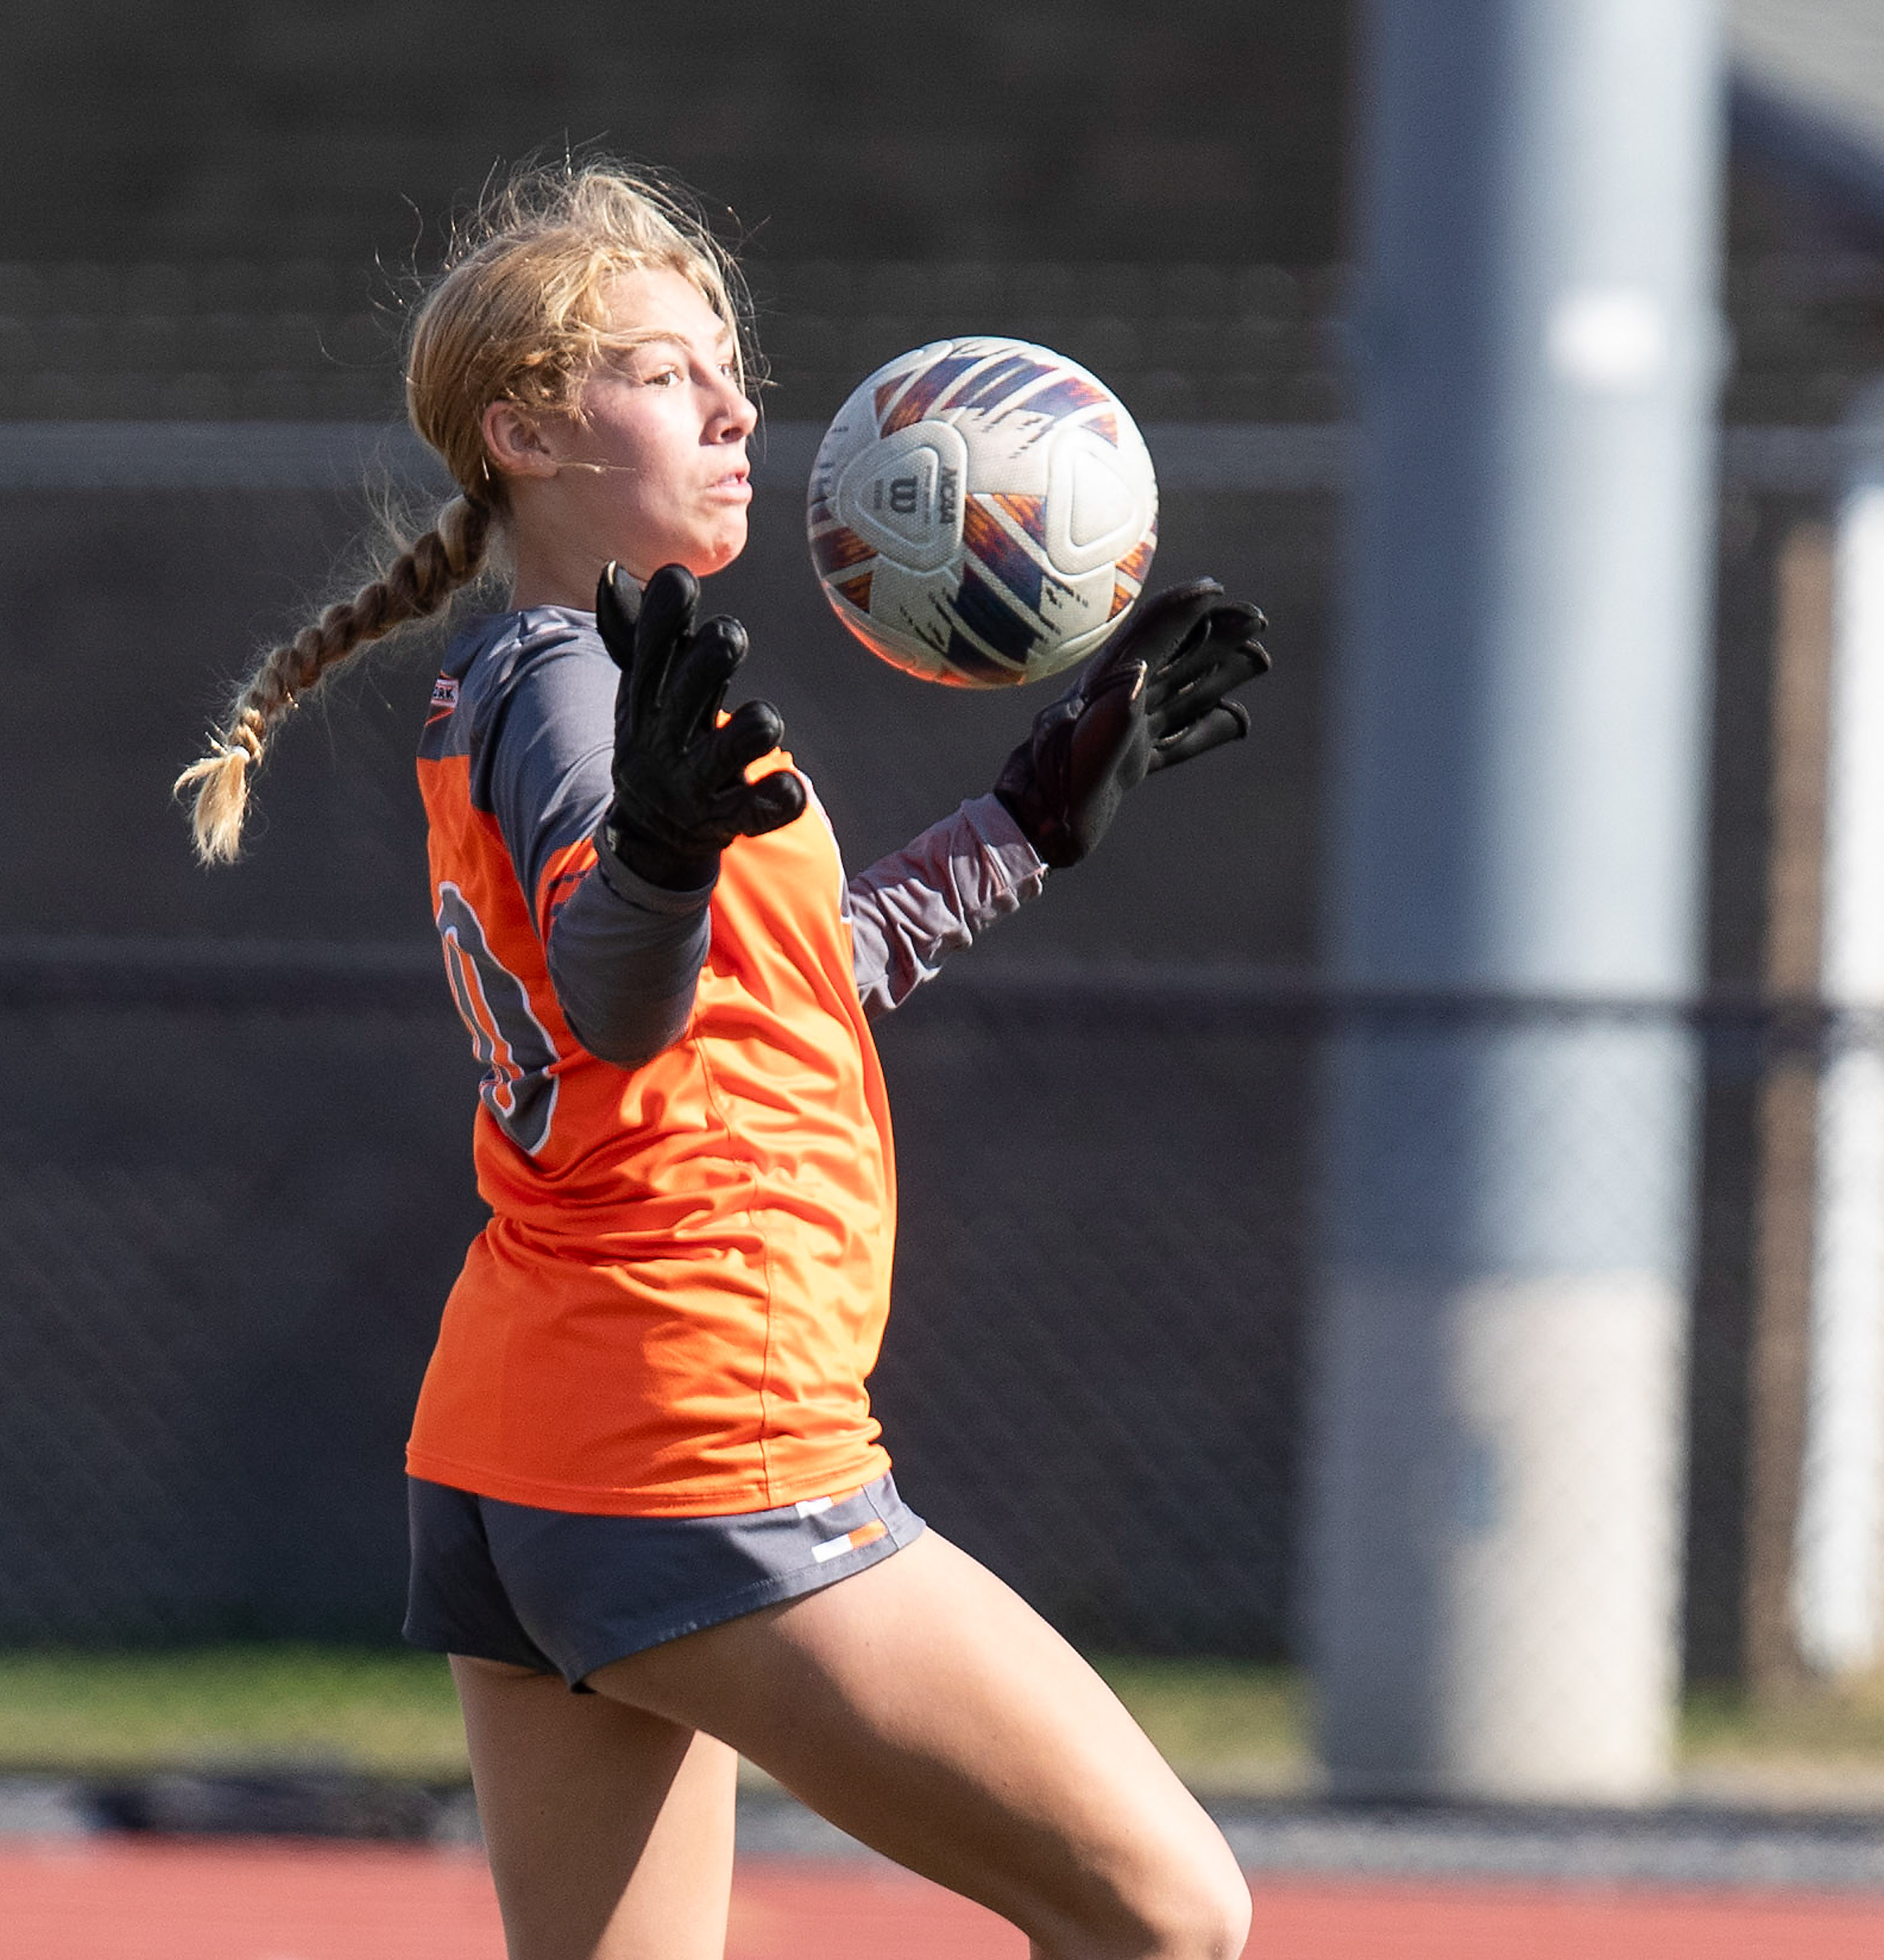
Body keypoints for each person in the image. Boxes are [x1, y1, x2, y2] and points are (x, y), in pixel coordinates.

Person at [176, 163, 1272, 1960]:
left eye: (730, 367)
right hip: (698, 1429)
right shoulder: (577, 694)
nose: (737, 405)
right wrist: (664, 857)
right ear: (527, 429)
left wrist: (1022, 823)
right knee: (1167, 1911)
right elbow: (628, 994)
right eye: (672, 371)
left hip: (523, 1436)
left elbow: (765, 990)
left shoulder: (544, 677)